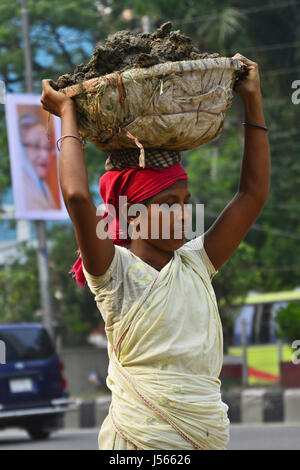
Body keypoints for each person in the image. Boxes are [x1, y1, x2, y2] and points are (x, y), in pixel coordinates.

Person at [40, 53, 270, 450]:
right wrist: (66, 113)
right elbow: (77, 198)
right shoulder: (116, 275)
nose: (183, 213)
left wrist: (252, 97)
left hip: (206, 438)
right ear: (130, 213)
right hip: (138, 443)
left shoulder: (197, 263)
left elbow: (252, 194)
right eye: (168, 202)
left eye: (186, 200)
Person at [18, 113, 59, 211]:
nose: (45, 155)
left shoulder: (43, 186)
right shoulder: (21, 187)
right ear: (20, 148)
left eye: (48, 147)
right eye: (36, 146)